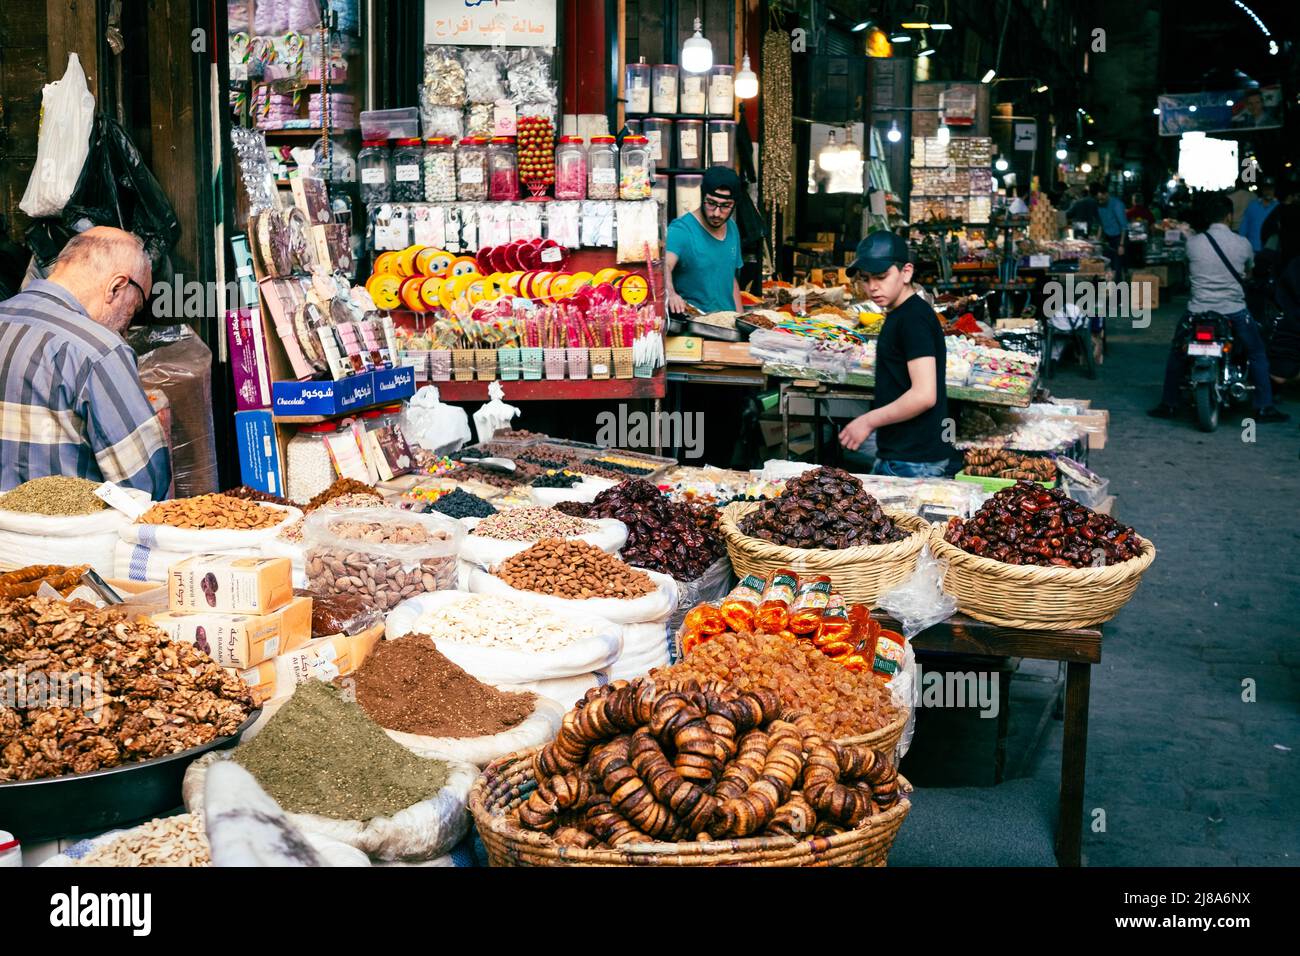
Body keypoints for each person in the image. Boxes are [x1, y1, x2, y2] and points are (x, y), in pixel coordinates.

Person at [0, 226, 171, 496]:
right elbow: (143, 485)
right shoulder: (99, 350)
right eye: (135, 308)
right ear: (116, 287)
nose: (127, 327)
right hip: (67, 536)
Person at [1149, 193, 1288, 423]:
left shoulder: (1193, 243)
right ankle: (1264, 407)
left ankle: (1169, 403)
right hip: (1233, 310)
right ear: (1229, 216)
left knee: (1177, 352)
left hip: (1197, 310)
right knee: (1257, 352)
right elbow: (1249, 271)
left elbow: (1188, 265)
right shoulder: (1242, 244)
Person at [838, 232, 951, 477]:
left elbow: (924, 395)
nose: (872, 287)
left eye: (881, 277)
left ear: (906, 272)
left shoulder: (913, 319)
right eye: (865, 279)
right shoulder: (901, 313)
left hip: (913, 462)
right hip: (904, 454)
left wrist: (867, 422)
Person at [664, 166, 744, 315]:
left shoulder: (732, 228)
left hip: (727, 325)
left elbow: (730, 280)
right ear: (702, 197)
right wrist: (671, 293)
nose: (717, 213)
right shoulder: (681, 229)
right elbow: (665, 265)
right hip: (695, 325)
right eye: (711, 203)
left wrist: (740, 319)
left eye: (725, 206)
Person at [1094, 183, 1129, 279]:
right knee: (1107, 265)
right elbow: (1101, 224)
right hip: (1108, 238)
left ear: (1106, 194)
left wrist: (1121, 245)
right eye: (1098, 199)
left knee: (1117, 267)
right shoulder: (1100, 205)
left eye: (1102, 198)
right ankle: (1109, 289)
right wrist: (1097, 240)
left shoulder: (1117, 205)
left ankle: (1118, 291)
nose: (1100, 201)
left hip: (1119, 238)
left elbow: (1124, 227)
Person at [1237, 177, 1278, 253]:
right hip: (1252, 252)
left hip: (1271, 254)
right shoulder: (1252, 206)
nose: (1268, 191)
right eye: (1266, 188)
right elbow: (1243, 228)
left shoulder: (1279, 207)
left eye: (1270, 188)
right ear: (1262, 189)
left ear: (1274, 190)